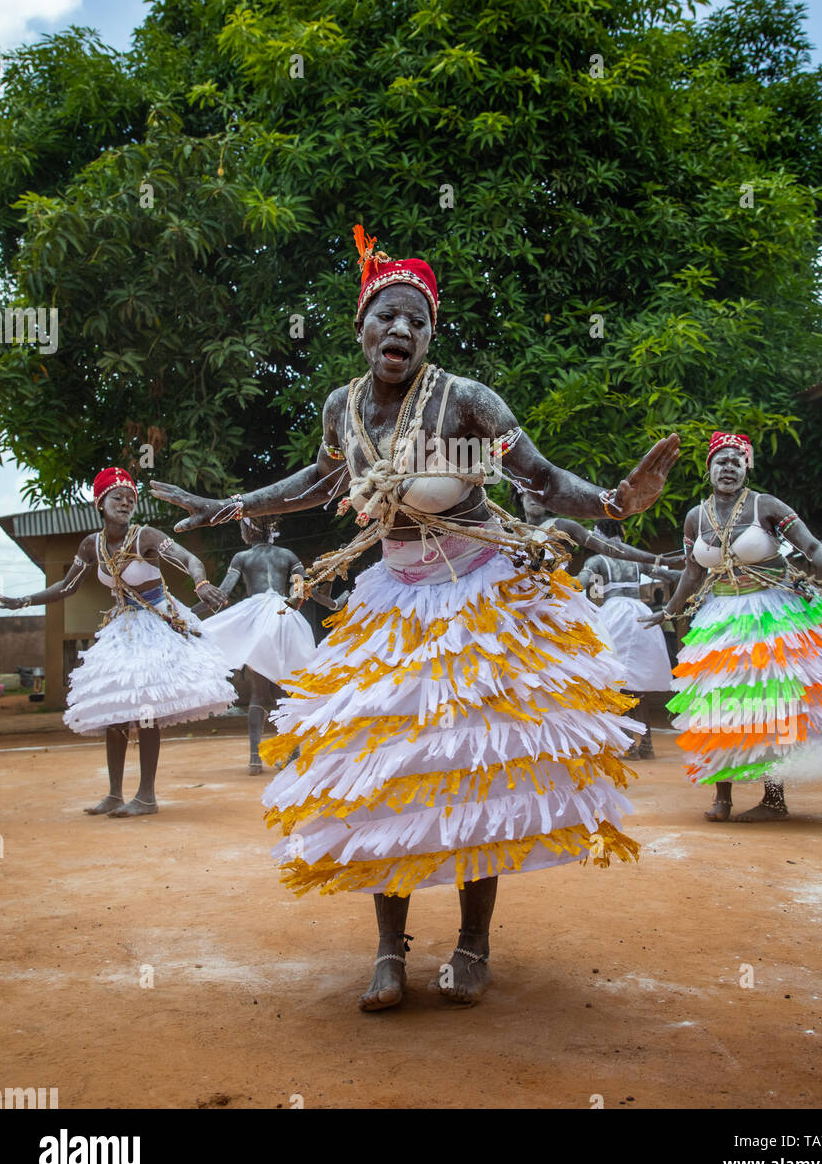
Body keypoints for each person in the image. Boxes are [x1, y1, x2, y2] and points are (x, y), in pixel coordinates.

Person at [152, 226, 680, 1009]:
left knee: (472, 774)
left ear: (430, 334)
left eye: (417, 321)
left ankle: (472, 944)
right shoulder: (342, 407)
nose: (400, 330)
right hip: (392, 603)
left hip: (478, 599)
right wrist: (231, 505)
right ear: (361, 327)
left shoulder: (466, 401)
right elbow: (319, 481)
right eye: (386, 317)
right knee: (384, 771)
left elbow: (537, 477)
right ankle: (389, 948)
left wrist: (610, 502)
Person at [644, 432, 822, 822]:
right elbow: (691, 572)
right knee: (719, 706)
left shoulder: (765, 506)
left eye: (736, 461)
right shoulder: (695, 516)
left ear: (747, 467)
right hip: (719, 619)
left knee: (772, 705)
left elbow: (813, 547)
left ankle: (774, 797)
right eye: (720, 461)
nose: (728, 468)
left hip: (771, 616)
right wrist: (668, 612)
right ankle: (722, 797)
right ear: (708, 468)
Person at [0, 468, 236, 816]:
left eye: (130, 499)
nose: (125, 503)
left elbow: (190, 560)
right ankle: (113, 793)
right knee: (116, 711)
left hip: (157, 625)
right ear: (100, 503)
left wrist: (200, 584)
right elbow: (66, 587)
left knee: (146, 711)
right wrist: (23, 601)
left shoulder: (146, 536)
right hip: (122, 629)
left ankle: (147, 796)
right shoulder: (89, 546)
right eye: (117, 498)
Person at [520, 498, 682, 758]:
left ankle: (628, 742)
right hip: (640, 618)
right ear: (622, 532)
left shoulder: (597, 561)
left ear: (596, 534)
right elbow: (667, 575)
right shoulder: (634, 559)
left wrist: (552, 582)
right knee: (637, 685)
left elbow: (580, 584)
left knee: (616, 682)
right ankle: (647, 742)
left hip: (614, 617)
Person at [194, 516, 340, 773]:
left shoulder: (242, 558)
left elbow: (221, 595)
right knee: (287, 690)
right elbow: (307, 589)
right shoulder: (287, 554)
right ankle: (292, 754)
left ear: (248, 532)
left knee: (258, 693)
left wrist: (188, 613)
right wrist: (334, 604)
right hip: (286, 619)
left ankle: (254, 759)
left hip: (258, 620)